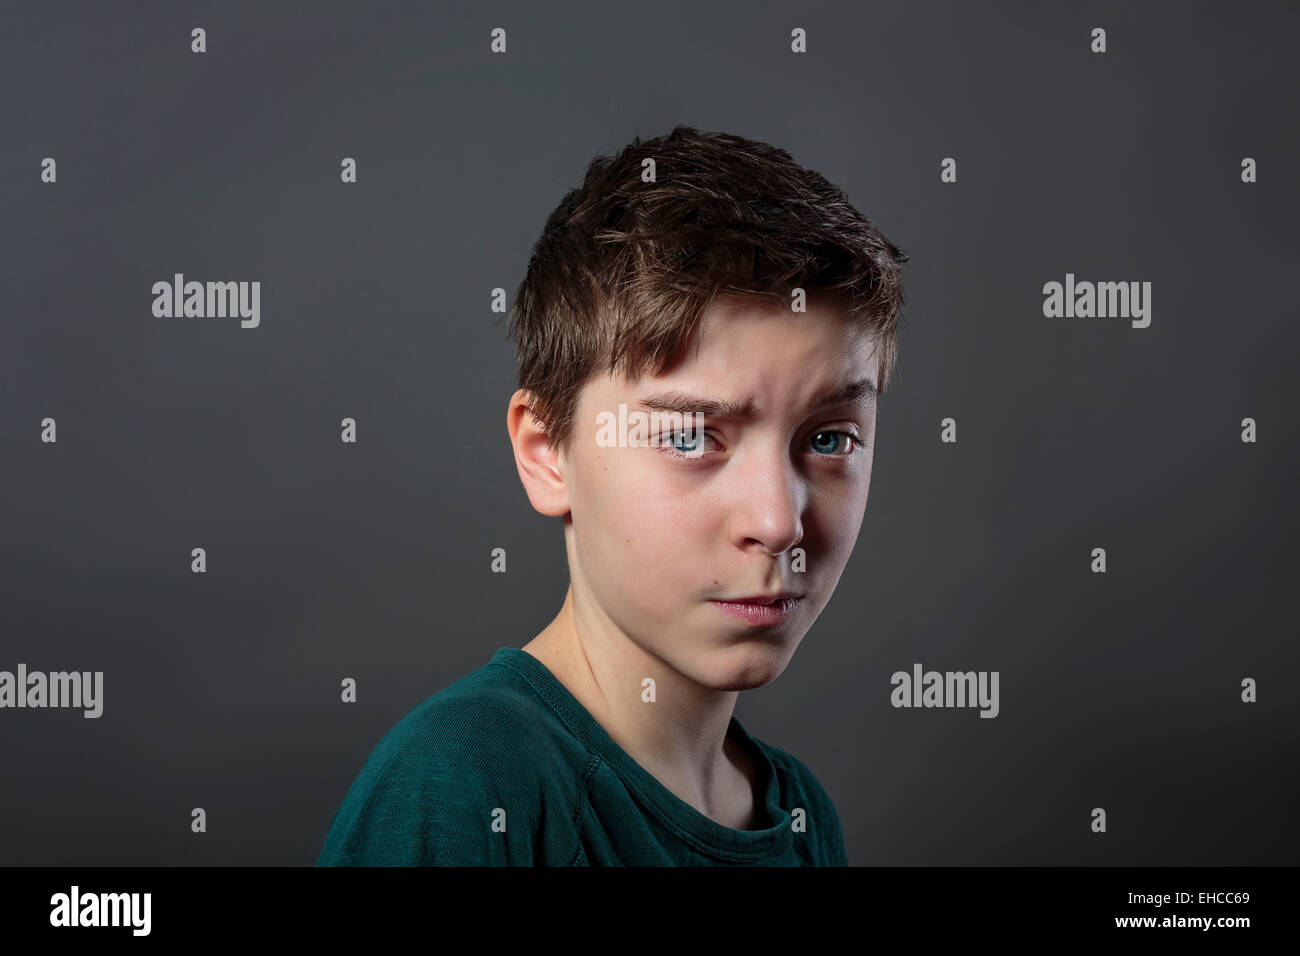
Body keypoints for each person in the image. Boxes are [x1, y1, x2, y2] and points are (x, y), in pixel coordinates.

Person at [317, 125, 908, 865]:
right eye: (691, 436)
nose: (778, 522)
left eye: (828, 440)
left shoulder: (803, 820)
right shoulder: (464, 784)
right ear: (547, 453)